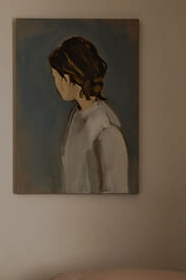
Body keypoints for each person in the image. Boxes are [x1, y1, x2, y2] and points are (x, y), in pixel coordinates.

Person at [48, 36, 129, 193]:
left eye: (55, 78)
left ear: (69, 78)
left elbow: (116, 194)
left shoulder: (107, 130)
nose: (55, 84)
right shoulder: (76, 116)